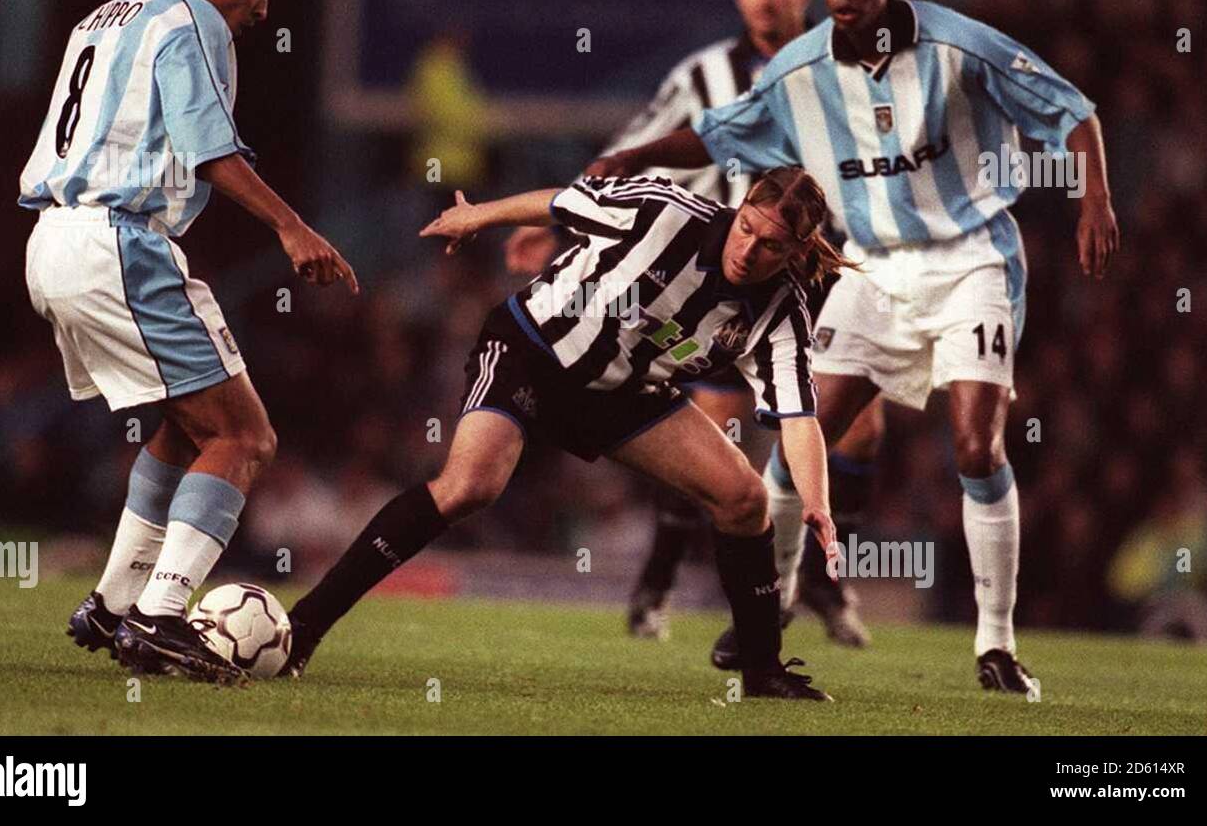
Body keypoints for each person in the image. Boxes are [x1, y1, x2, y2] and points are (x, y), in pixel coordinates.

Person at [585, 0, 1120, 693]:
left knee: (976, 446)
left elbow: (1071, 108)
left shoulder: (956, 46)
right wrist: (632, 158)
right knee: (803, 432)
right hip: (872, 269)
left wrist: (1093, 197)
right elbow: (715, 135)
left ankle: (995, 644)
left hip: (971, 258)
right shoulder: (801, 72)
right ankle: (771, 611)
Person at [281, 168, 855, 700]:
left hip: (623, 394)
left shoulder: (782, 311)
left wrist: (818, 504)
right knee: (469, 487)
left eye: (771, 246)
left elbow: (801, 419)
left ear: (798, 252)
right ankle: (305, 626)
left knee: (744, 498)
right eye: (747, 229)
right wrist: (478, 214)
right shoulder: (663, 212)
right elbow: (561, 202)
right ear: (740, 208)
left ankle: (762, 671)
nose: (748, 250)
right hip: (531, 352)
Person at [18, 0, 357, 682]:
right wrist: (291, 226)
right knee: (247, 438)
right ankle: (163, 616)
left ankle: (110, 602)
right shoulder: (191, 19)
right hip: (116, 242)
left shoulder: (105, 16)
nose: (262, 8)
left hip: (56, 240)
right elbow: (210, 148)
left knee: (187, 427)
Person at [506, 0, 881, 646]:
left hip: (816, 274)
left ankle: (825, 582)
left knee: (858, 424)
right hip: (714, 275)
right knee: (720, 428)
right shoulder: (702, 75)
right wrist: (554, 226)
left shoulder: (842, 75)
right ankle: (658, 585)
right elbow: (629, 152)